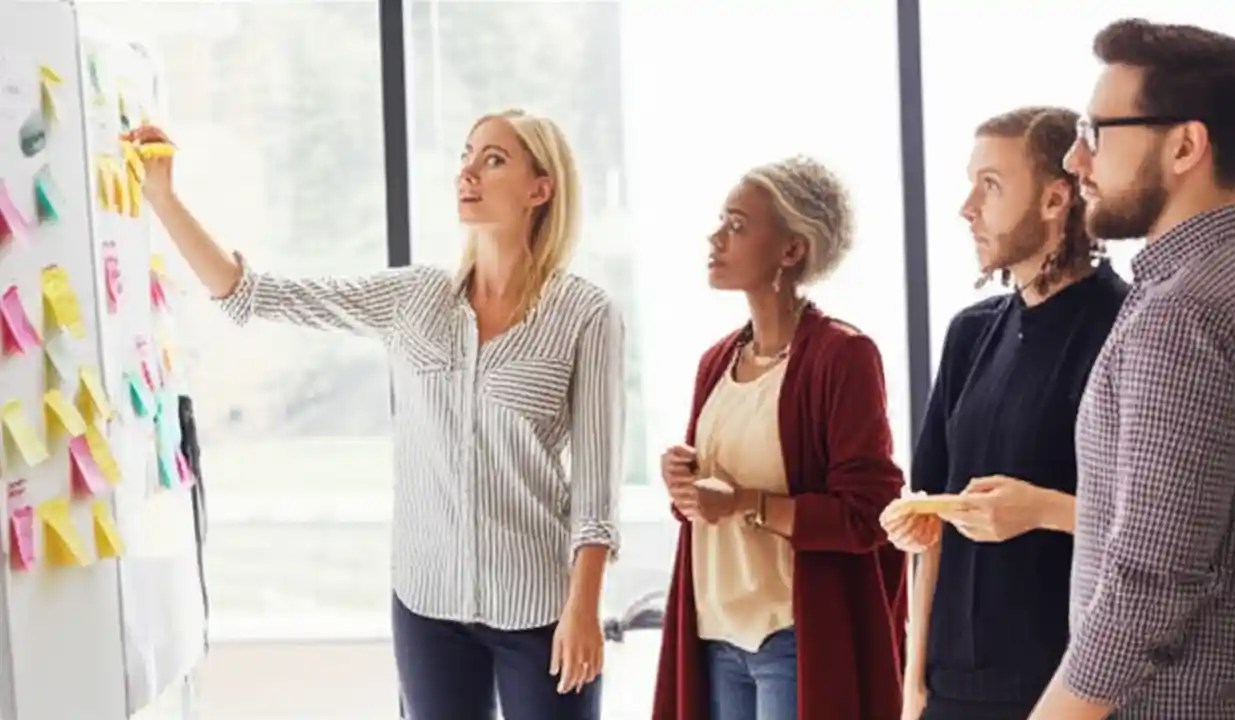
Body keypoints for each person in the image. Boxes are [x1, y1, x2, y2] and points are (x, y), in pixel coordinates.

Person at [126, 109, 625, 720]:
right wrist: (163, 197)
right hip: (427, 602)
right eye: (466, 155)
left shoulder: (586, 315)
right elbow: (251, 293)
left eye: (494, 160)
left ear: (540, 189)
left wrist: (584, 608)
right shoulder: (414, 298)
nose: (468, 172)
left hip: (541, 606)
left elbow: (596, 494)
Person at [1029, 19, 1235, 720]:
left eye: (1097, 131)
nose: (1076, 159)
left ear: (1185, 146)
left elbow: (1153, 576)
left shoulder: (1186, 313)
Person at [879, 106, 1128, 720]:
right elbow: (933, 524)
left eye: (989, 185)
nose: (968, 208)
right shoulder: (969, 334)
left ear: (1055, 199)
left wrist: (1043, 510)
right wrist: (914, 686)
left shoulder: (1126, 328)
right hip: (953, 687)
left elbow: (1158, 526)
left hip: (1069, 689)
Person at [651, 156, 907, 720]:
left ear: (791, 250)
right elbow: (704, 507)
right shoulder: (716, 361)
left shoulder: (843, 356)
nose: (716, 237)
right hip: (714, 633)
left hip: (790, 639)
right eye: (722, 220)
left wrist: (744, 502)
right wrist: (684, 482)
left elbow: (868, 513)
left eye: (738, 225)